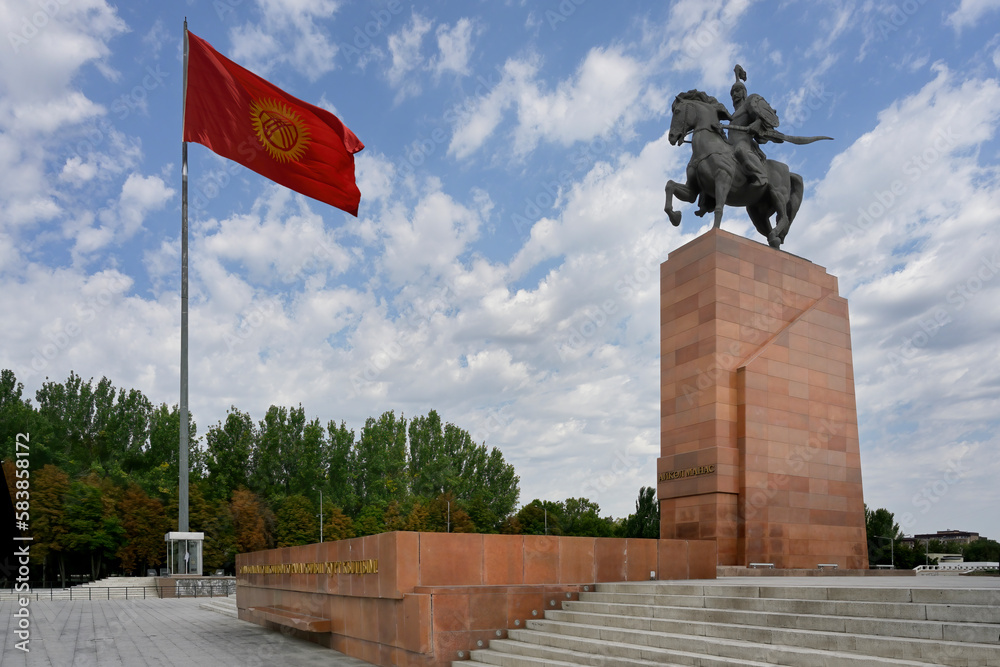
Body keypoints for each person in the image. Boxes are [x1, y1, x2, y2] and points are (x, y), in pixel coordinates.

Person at [727, 64, 777, 188]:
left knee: (741, 150)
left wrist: (757, 123)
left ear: (744, 92)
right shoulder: (732, 116)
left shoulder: (749, 104)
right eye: (732, 93)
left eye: (737, 91)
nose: (734, 95)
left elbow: (763, 116)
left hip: (744, 143)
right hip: (730, 144)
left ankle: (761, 176)